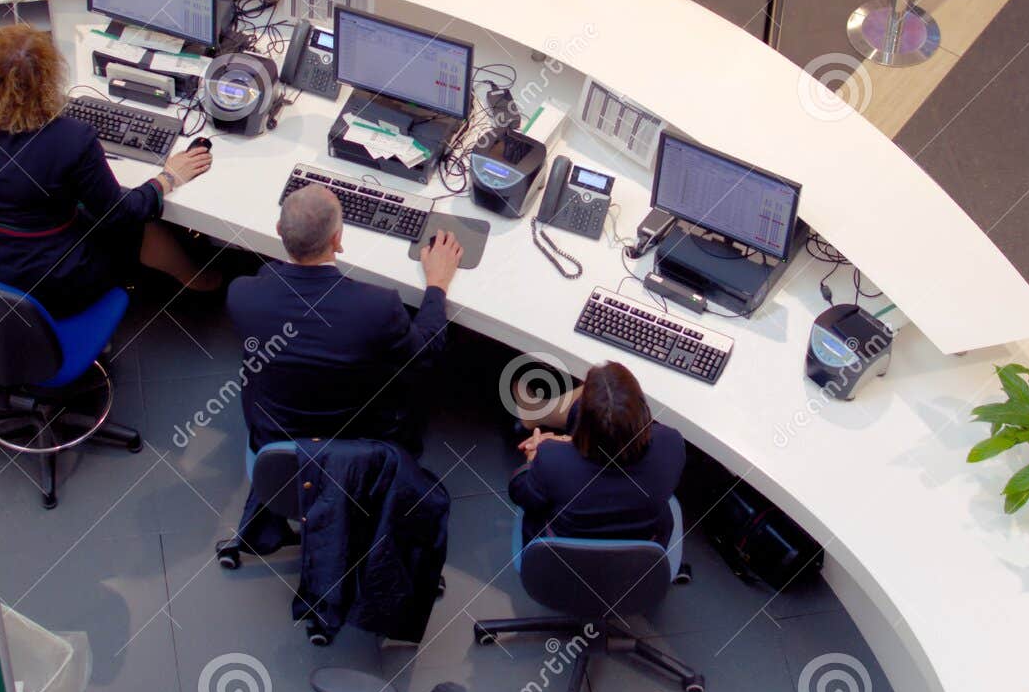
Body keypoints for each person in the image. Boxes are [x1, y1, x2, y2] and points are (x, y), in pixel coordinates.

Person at [0, 13, 216, 317]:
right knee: (140, 223)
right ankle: (200, 281)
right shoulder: (72, 138)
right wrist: (168, 178)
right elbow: (119, 214)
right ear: (49, 81)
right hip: (51, 282)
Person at [225, 183, 465, 451]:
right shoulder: (378, 306)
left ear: (279, 230)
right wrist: (437, 284)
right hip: (355, 444)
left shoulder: (242, 293)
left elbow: (272, 277)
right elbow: (427, 351)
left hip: (273, 439)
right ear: (337, 240)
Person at [509, 361, 687, 575]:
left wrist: (533, 460)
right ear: (643, 411)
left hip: (561, 571)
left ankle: (539, 413)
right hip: (636, 573)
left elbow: (521, 493)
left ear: (582, 426)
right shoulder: (671, 444)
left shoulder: (550, 459)